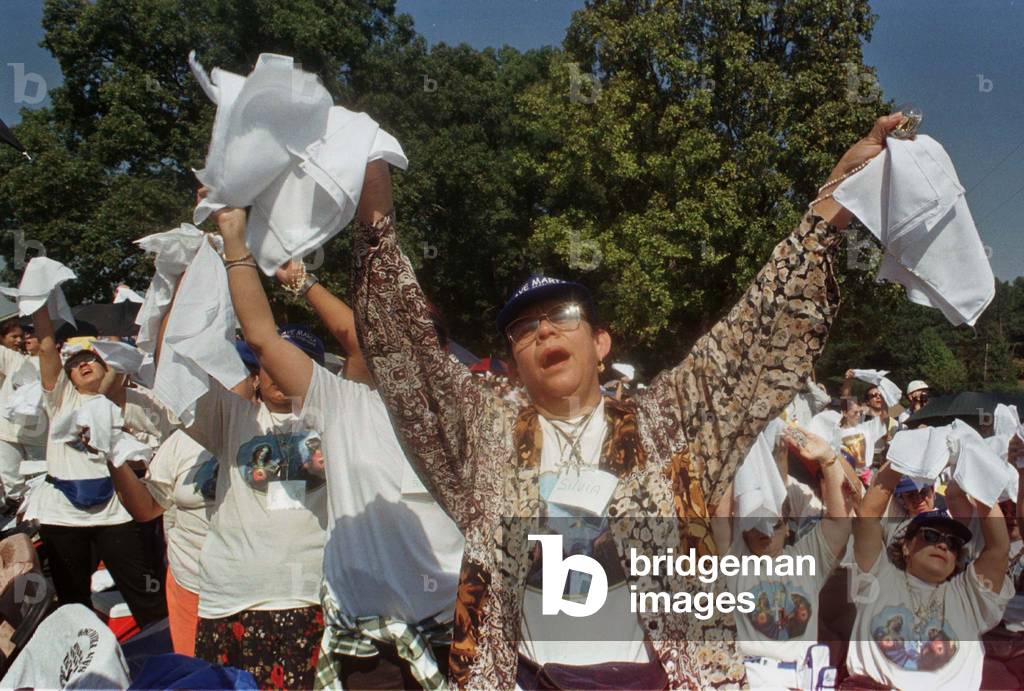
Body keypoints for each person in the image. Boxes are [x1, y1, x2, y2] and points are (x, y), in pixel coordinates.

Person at [347, 112, 909, 688]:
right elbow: (402, 349)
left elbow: (757, 331)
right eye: (523, 329)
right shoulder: (482, 434)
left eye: (562, 317)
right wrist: (372, 213)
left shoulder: (669, 423)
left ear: (600, 342)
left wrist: (834, 202)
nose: (543, 332)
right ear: (513, 359)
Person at [205, 196, 465, 690]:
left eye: (423, 334)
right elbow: (261, 337)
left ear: (442, 347)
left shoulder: (472, 412)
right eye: (392, 336)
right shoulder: (345, 404)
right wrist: (235, 242)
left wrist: (305, 280)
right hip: (372, 655)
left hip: (461, 637)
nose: (408, 345)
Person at [156, 273, 329, 688]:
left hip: (310, 597)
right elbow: (174, 362)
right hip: (230, 600)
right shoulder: (231, 419)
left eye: (292, 360)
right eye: (267, 362)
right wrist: (187, 274)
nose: (276, 372)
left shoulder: (337, 421)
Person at [107, 342, 260, 656]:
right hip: (192, 587)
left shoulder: (277, 433)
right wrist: (112, 454)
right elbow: (147, 509)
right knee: (200, 678)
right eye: (211, 379)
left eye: (229, 376)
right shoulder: (181, 441)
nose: (218, 387)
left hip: (258, 591)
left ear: (255, 379)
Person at [29, 304, 167, 627]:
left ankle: (167, 666)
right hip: (63, 514)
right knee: (72, 606)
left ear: (109, 365)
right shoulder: (61, 399)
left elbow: (157, 451)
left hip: (117, 511)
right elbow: (47, 346)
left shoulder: (138, 402)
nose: (84, 365)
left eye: (91, 358)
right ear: (67, 376)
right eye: (75, 364)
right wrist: (39, 303)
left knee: (148, 598)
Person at [844, 463, 1013, 689]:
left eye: (952, 543)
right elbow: (867, 515)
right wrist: (902, 458)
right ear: (906, 546)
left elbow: (998, 548)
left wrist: (976, 468)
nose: (943, 544)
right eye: (931, 536)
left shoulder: (968, 597)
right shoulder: (878, 578)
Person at [718, 425, 854, 689]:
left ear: (789, 525)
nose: (765, 532)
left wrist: (828, 459)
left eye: (775, 523)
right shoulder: (735, 561)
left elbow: (839, 523)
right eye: (756, 524)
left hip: (802, 678)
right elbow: (721, 518)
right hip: (749, 678)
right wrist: (731, 453)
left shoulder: (806, 560)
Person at [0, 311, 47, 513]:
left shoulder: (40, 359)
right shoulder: (6, 356)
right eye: (14, 337)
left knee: (40, 472)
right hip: (7, 427)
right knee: (11, 476)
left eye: (22, 336)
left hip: (36, 427)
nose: (20, 340)